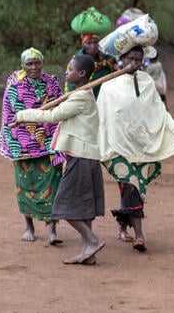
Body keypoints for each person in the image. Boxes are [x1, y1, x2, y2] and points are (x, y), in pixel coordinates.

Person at [13, 54, 106, 265]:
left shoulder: (80, 98)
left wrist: (21, 116)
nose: (66, 72)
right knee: (84, 207)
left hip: (81, 158)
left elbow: (51, 116)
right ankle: (87, 252)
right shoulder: (80, 94)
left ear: (81, 74)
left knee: (62, 206)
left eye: (70, 69)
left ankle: (91, 241)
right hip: (86, 156)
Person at [97, 46, 174, 252]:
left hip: (142, 145)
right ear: (122, 59)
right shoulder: (109, 84)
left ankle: (122, 227)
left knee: (132, 188)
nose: (134, 64)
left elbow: (159, 112)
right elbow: (102, 116)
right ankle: (139, 235)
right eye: (130, 59)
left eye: (138, 60)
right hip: (117, 145)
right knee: (131, 186)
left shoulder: (147, 82)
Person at [0, 47, 64, 244]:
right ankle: (29, 226)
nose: (34, 67)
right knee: (25, 184)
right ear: (23, 65)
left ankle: (52, 229)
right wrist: (15, 144)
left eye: (37, 63)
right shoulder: (14, 86)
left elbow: (59, 108)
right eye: (29, 64)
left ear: (42, 63)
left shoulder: (51, 82)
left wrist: (54, 136)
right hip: (23, 144)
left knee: (53, 184)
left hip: (48, 142)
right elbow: (9, 117)